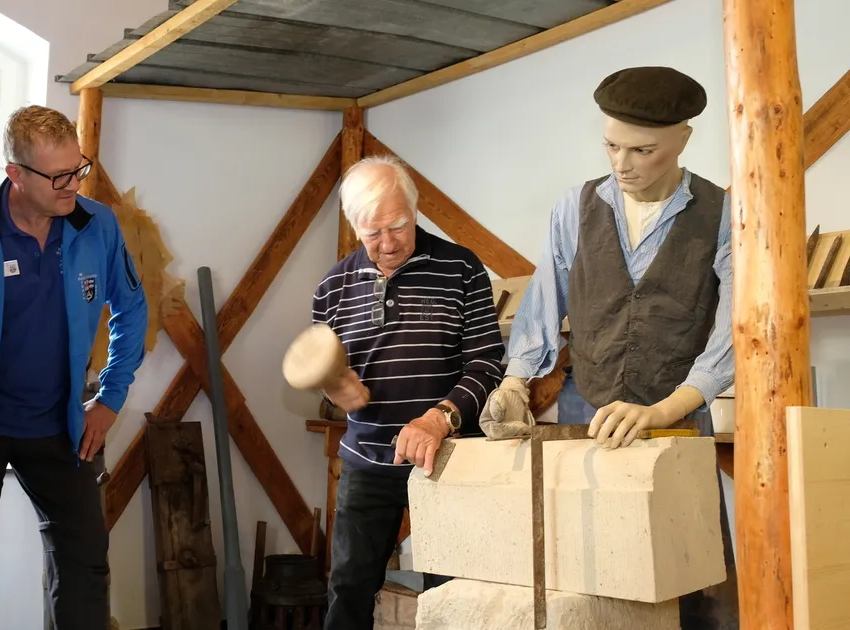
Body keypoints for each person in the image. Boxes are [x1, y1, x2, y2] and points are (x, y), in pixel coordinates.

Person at [480, 66, 738, 628]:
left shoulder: (722, 215)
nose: (621, 164)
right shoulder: (573, 208)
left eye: (641, 150)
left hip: (675, 420)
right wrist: (513, 382)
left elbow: (732, 335)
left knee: (693, 583)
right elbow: (543, 303)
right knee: (588, 580)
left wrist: (663, 411)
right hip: (584, 413)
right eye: (611, 146)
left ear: (682, 140)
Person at [0, 105, 148, 630]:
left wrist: (109, 398)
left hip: (57, 424)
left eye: (77, 168)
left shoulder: (96, 225)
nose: (72, 185)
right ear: (14, 174)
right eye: (57, 175)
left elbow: (131, 310)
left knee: (86, 557)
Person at [313, 155, 505, 630]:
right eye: (371, 233)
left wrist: (439, 418)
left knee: (454, 596)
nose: (387, 244)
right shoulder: (332, 289)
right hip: (367, 460)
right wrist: (335, 387)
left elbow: (487, 363)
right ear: (353, 227)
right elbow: (329, 379)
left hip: (450, 458)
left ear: (414, 210)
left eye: (397, 226)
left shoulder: (461, 269)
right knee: (348, 590)